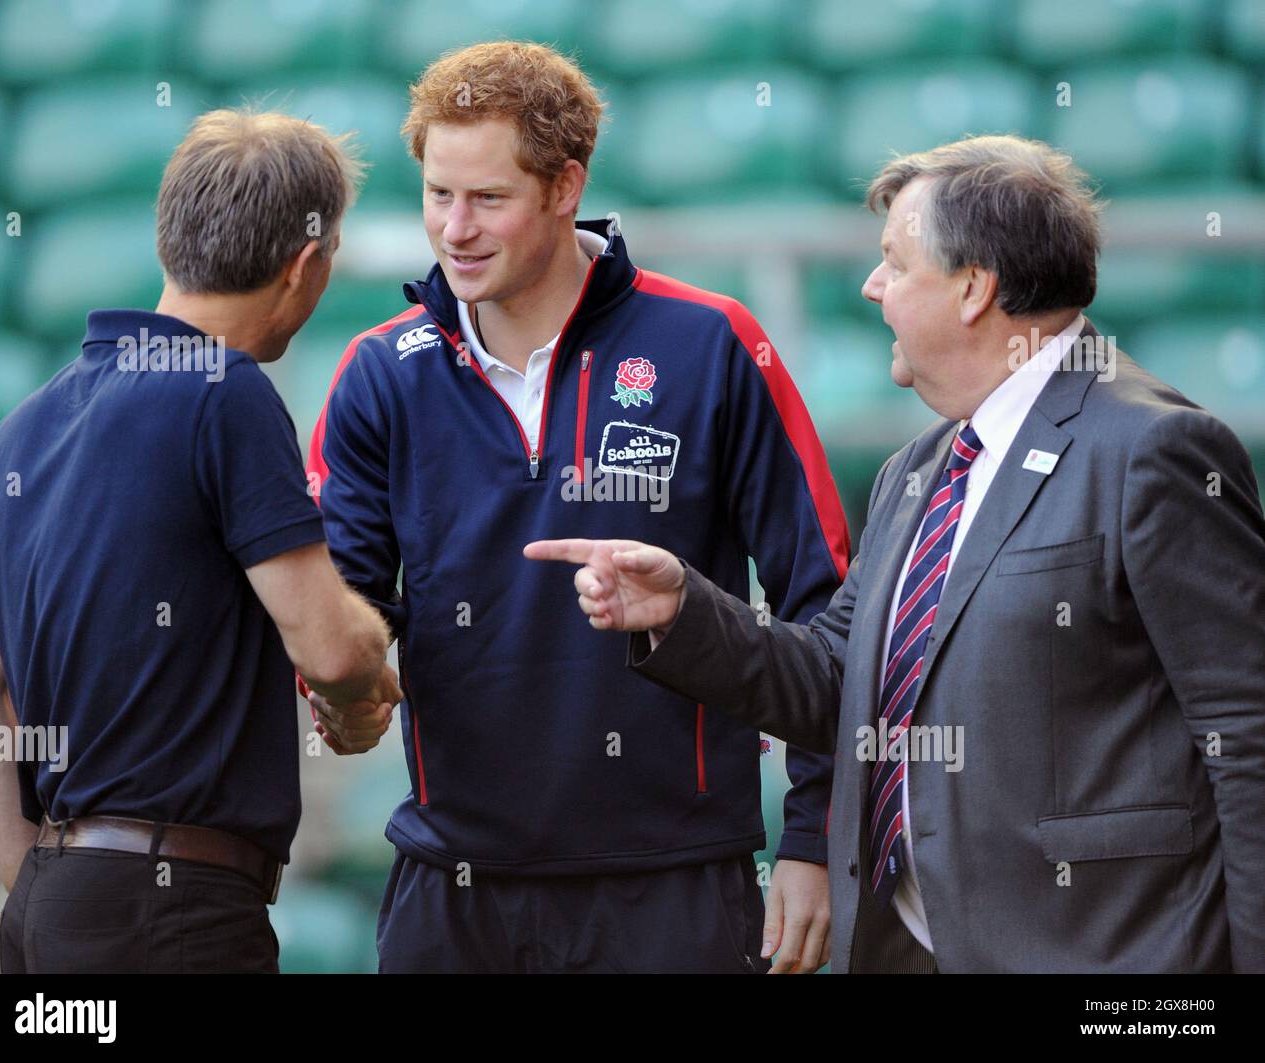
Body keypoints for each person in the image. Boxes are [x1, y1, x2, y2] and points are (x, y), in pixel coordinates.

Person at [527, 134, 1265, 973]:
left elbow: (1246, 736)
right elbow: (838, 683)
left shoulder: (1153, 448)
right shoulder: (916, 471)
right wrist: (685, 611)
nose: (872, 286)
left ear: (973, 289)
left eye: (894, 264)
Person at [305, 41, 851, 973]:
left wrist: (809, 838)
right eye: (439, 194)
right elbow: (347, 611)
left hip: (676, 883)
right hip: (452, 888)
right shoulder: (376, 374)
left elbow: (830, 606)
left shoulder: (713, 341)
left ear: (566, 186)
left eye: (489, 198)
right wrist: (339, 688)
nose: (457, 229)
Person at [0, 109, 400, 974]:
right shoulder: (225, 392)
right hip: (176, 916)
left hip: (55, 907)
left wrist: (34, 884)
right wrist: (371, 674)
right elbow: (328, 646)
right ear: (306, 265)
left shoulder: (19, 427)